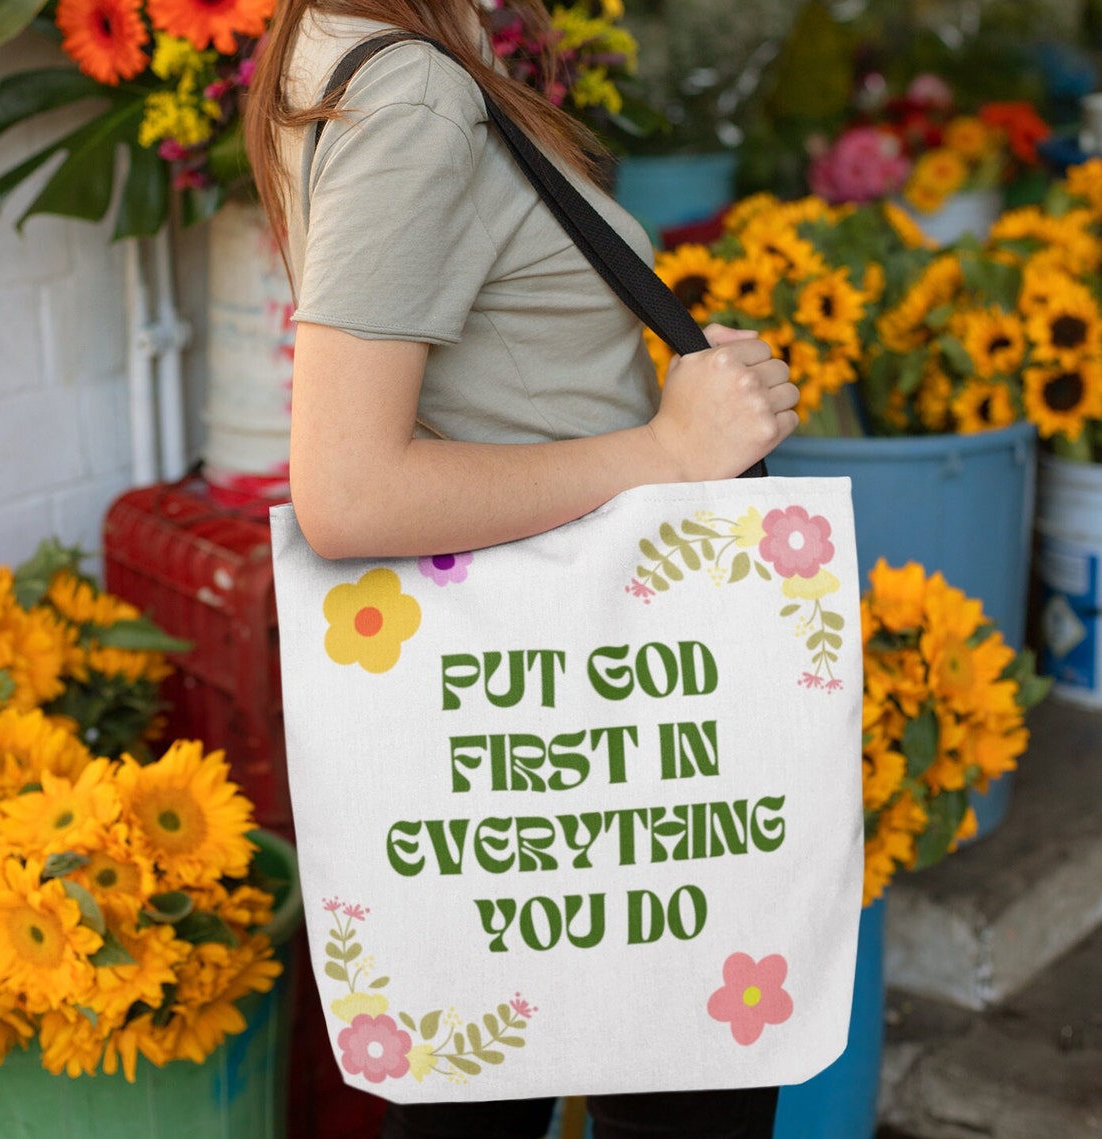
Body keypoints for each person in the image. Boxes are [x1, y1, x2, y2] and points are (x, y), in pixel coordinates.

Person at [246, 3, 799, 1136]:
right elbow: (348, 492)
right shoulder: (412, 92)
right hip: (590, 718)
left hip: (527, 714)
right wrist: (669, 451)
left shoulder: (362, 51)